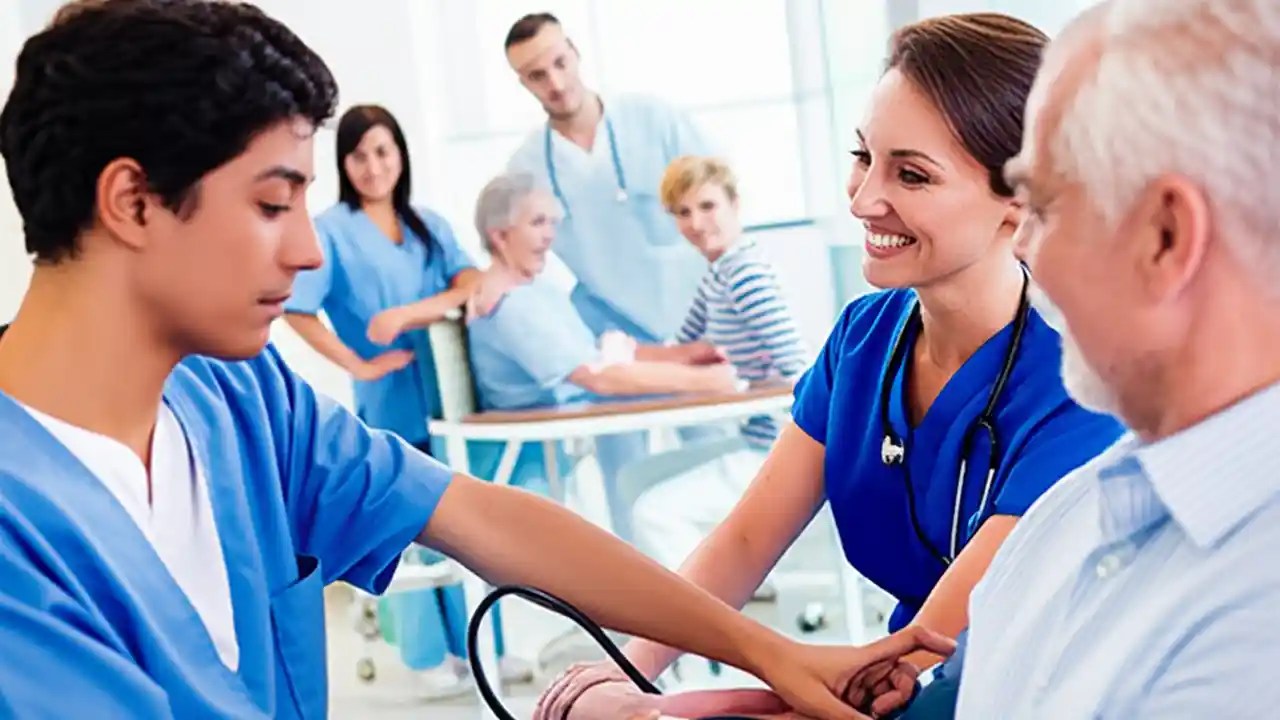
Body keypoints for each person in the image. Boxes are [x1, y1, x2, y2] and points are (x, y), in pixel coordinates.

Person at [0, 2, 957, 719]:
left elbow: (481, 515)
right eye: (271, 204)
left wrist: (759, 654)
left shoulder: (240, 400)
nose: (307, 254)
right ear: (130, 202)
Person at [535, 13, 1127, 720]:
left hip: (1034, 692)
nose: (863, 197)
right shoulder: (863, 340)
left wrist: (673, 711)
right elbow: (745, 541)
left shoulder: (1079, 381)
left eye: (910, 174)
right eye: (862, 156)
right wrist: (622, 668)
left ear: (1018, 199)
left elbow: (926, 654)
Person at [952, 0, 1280, 716]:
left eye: (1042, 205)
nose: (1020, 244)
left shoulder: (1258, 627)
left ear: (1164, 237)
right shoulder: (1069, 516)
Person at [281, 104, 530, 697]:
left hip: (448, 398)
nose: (372, 166)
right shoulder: (333, 229)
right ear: (343, 163)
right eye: (359, 154)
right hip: (388, 404)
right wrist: (359, 362)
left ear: (401, 155)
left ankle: (479, 649)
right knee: (407, 529)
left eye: (383, 151)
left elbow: (470, 282)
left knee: (467, 527)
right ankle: (424, 657)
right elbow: (296, 306)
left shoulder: (427, 223)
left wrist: (407, 315)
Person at [466, 171, 744, 538]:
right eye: (537, 223)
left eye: (552, 222)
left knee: (653, 486)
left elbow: (601, 356)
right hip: (527, 455)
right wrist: (705, 382)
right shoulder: (509, 305)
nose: (550, 235)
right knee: (658, 494)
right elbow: (597, 375)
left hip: (577, 411)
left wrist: (684, 355)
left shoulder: (537, 290)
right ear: (500, 236)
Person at [630, 155, 810, 571]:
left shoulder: (744, 275)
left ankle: (705, 628)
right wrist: (616, 356)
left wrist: (743, 388)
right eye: (683, 212)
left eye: (707, 206)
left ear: (735, 204)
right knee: (634, 480)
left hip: (776, 445)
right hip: (757, 437)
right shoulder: (720, 273)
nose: (696, 223)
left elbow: (800, 371)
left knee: (653, 512)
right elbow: (684, 347)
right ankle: (725, 587)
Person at [503, 12, 709, 346]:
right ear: (523, 83)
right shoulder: (524, 170)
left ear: (575, 52)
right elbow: (517, 261)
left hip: (701, 315)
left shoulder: (653, 119)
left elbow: (722, 204)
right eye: (537, 75)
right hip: (614, 338)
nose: (555, 83)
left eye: (560, 63)